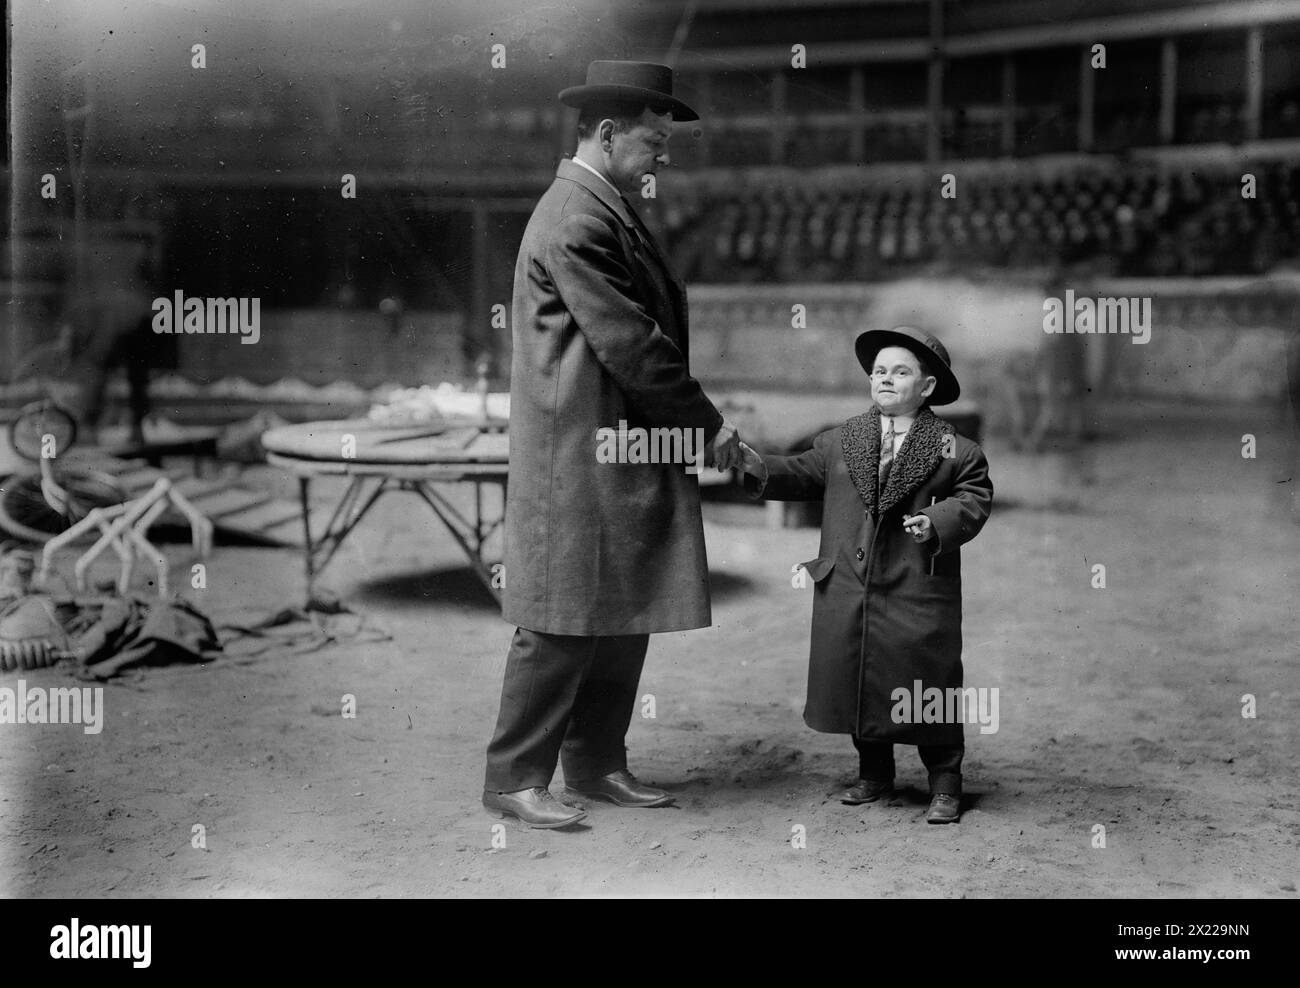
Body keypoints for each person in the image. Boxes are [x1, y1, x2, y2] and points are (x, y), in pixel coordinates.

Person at [483, 61, 742, 829]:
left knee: (622, 605)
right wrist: (710, 426)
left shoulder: (608, 206)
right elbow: (633, 343)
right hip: (579, 448)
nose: (664, 156)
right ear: (606, 133)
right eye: (653, 142)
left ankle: (596, 765)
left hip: (617, 441)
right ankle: (514, 776)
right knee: (562, 616)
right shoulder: (576, 217)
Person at [737, 326, 992, 824]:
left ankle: (945, 782)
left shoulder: (954, 449)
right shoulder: (840, 441)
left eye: (901, 372)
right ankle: (874, 772)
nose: (886, 380)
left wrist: (937, 520)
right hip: (849, 583)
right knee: (859, 675)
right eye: (879, 372)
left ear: (928, 387)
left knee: (928, 683)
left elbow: (974, 497)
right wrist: (755, 465)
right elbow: (800, 472)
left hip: (916, 583)